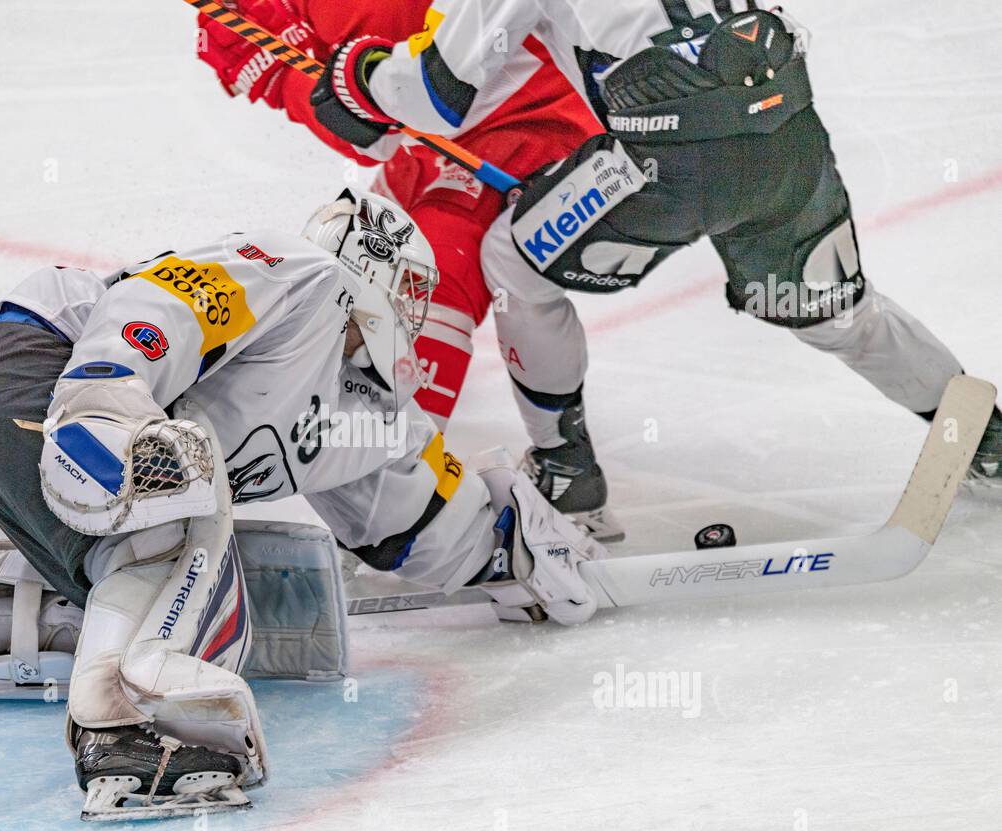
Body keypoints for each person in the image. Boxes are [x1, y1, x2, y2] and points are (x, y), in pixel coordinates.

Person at [0, 188, 604, 819]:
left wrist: (519, 547)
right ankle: (125, 728)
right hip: (38, 366)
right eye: (410, 291)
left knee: (195, 552)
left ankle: (0, 620)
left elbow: (410, 520)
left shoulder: (365, 412)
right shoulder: (306, 277)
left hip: (16, 417)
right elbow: (166, 302)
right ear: (376, 269)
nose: (412, 314)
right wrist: (104, 398)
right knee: (177, 487)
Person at [305, 1, 1002, 499]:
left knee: (512, 261)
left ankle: (564, 467)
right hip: (790, 143)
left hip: (666, 170)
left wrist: (357, 78)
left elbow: (435, 94)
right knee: (836, 314)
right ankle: (983, 437)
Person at [194, 1, 626, 536]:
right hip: (430, 143)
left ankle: (547, 470)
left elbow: (411, 91)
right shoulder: (242, 14)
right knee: (356, 274)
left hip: (535, 121)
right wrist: (313, 85)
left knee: (428, 276)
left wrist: (343, 90)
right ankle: (378, 475)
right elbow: (371, 132)